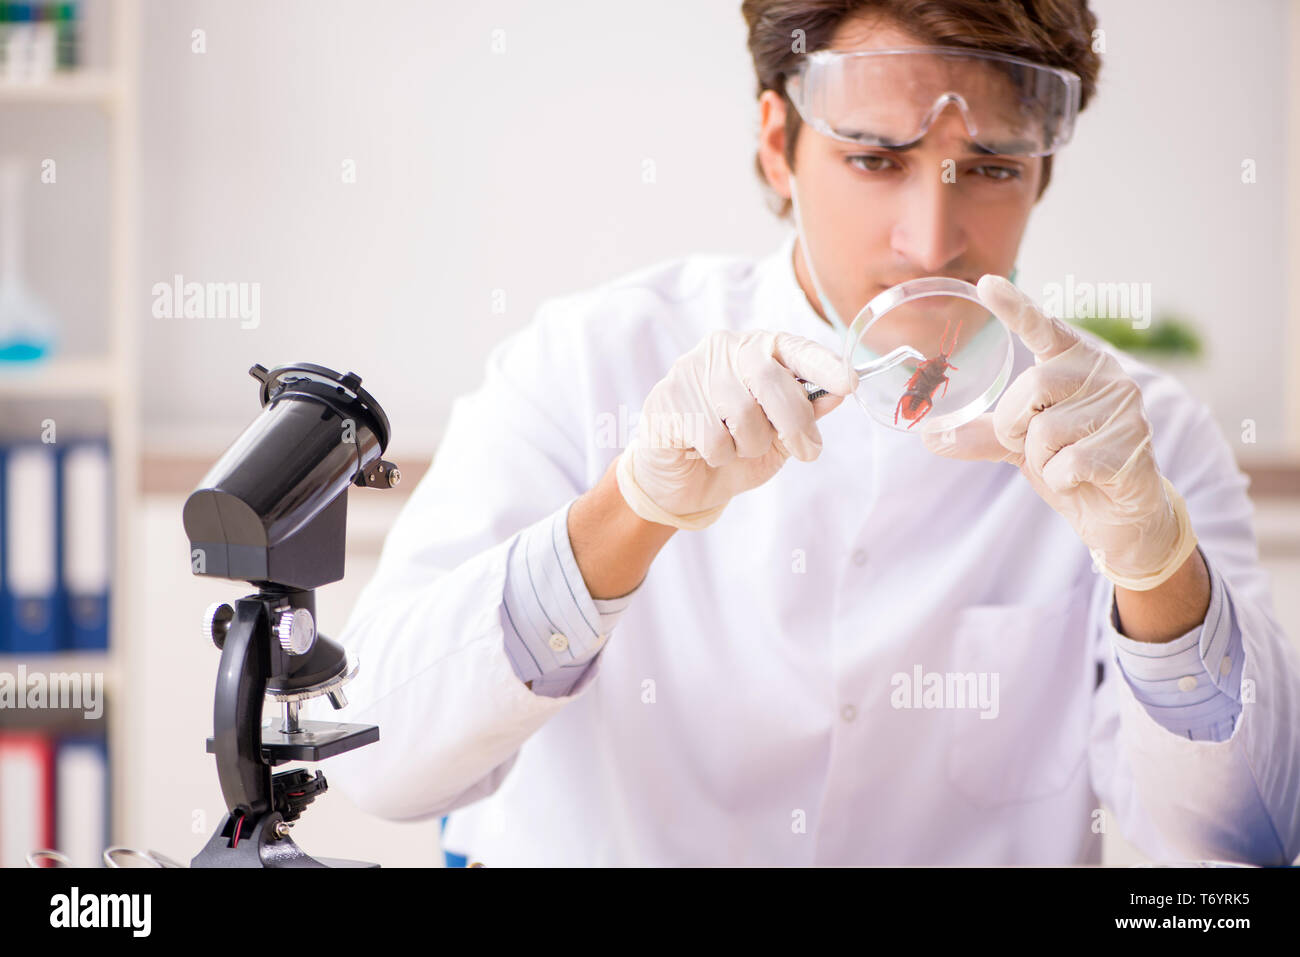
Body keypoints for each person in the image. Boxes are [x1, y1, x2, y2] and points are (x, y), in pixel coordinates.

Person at [305, 0, 1300, 865]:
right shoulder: (587, 362)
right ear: (776, 144)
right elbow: (378, 757)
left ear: (1040, 171)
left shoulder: (1135, 438)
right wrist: (628, 511)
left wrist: (1155, 564)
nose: (930, 239)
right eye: (875, 159)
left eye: (989, 166)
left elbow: (1250, 837)